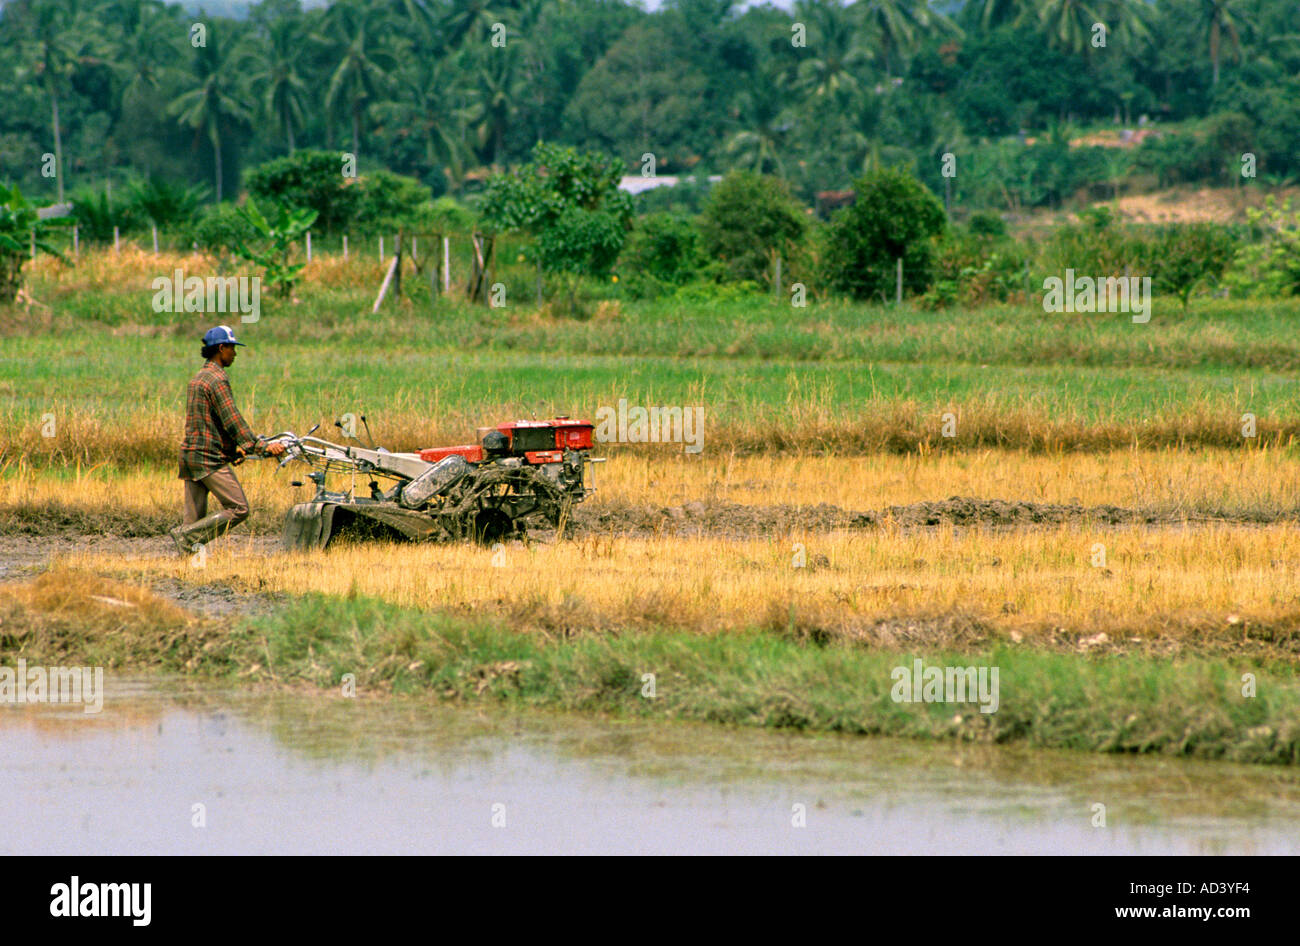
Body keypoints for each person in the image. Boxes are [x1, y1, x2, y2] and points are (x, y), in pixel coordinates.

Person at [169, 325, 285, 555]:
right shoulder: (217, 379)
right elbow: (232, 421)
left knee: (193, 521)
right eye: (232, 348)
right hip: (208, 459)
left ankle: (183, 572)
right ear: (221, 349)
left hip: (190, 455)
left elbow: (209, 423)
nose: (235, 353)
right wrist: (261, 447)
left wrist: (232, 451)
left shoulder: (198, 378)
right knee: (239, 508)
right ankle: (187, 537)